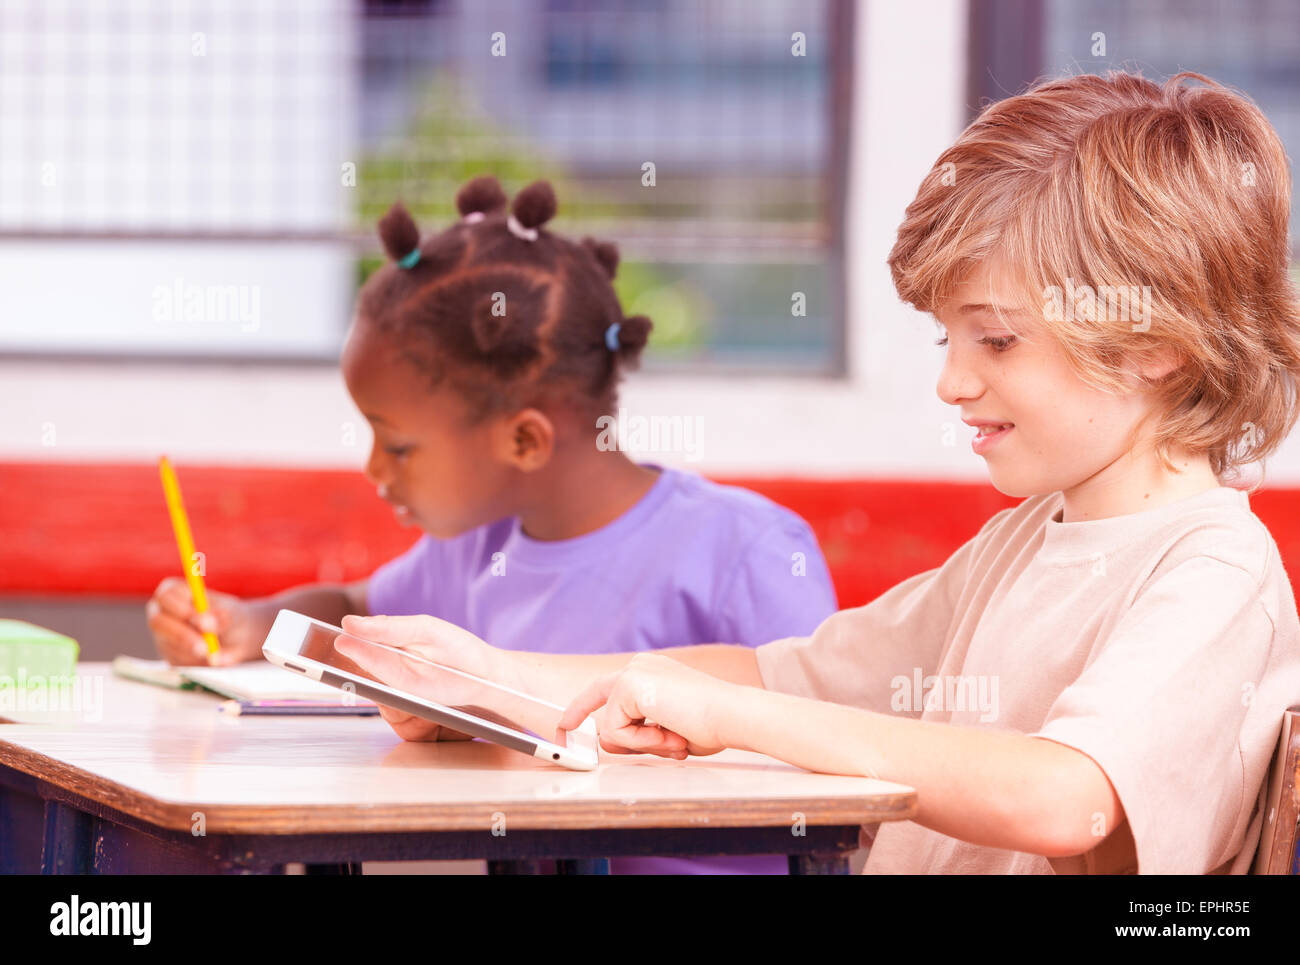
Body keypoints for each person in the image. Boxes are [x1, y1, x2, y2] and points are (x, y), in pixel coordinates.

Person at [344, 72, 1300, 874]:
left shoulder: (1212, 570)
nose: (952, 381)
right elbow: (788, 673)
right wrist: (496, 679)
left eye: (998, 340)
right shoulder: (1028, 537)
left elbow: (1069, 797)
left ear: (1154, 348)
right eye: (948, 337)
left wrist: (735, 716)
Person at [146, 174, 837, 875]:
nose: (374, 469)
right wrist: (251, 623)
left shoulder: (743, 553)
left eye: (399, 445)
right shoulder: (479, 546)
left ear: (526, 442)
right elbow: (355, 609)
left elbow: (833, 744)